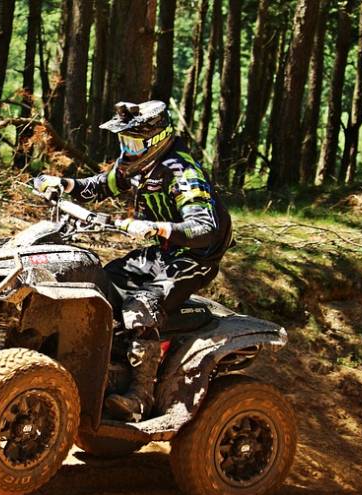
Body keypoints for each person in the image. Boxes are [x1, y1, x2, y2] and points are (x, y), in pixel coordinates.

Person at [33, 100, 232, 420]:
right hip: (160, 252)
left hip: (193, 258)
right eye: (123, 140)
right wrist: (64, 184)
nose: (127, 148)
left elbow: (204, 229)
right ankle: (108, 366)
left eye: (133, 142)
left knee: (141, 305)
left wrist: (155, 227)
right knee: (99, 281)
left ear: (157, 140)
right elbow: (100, 185)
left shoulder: (182, 172)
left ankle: (140, 395)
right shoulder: (137, 165)